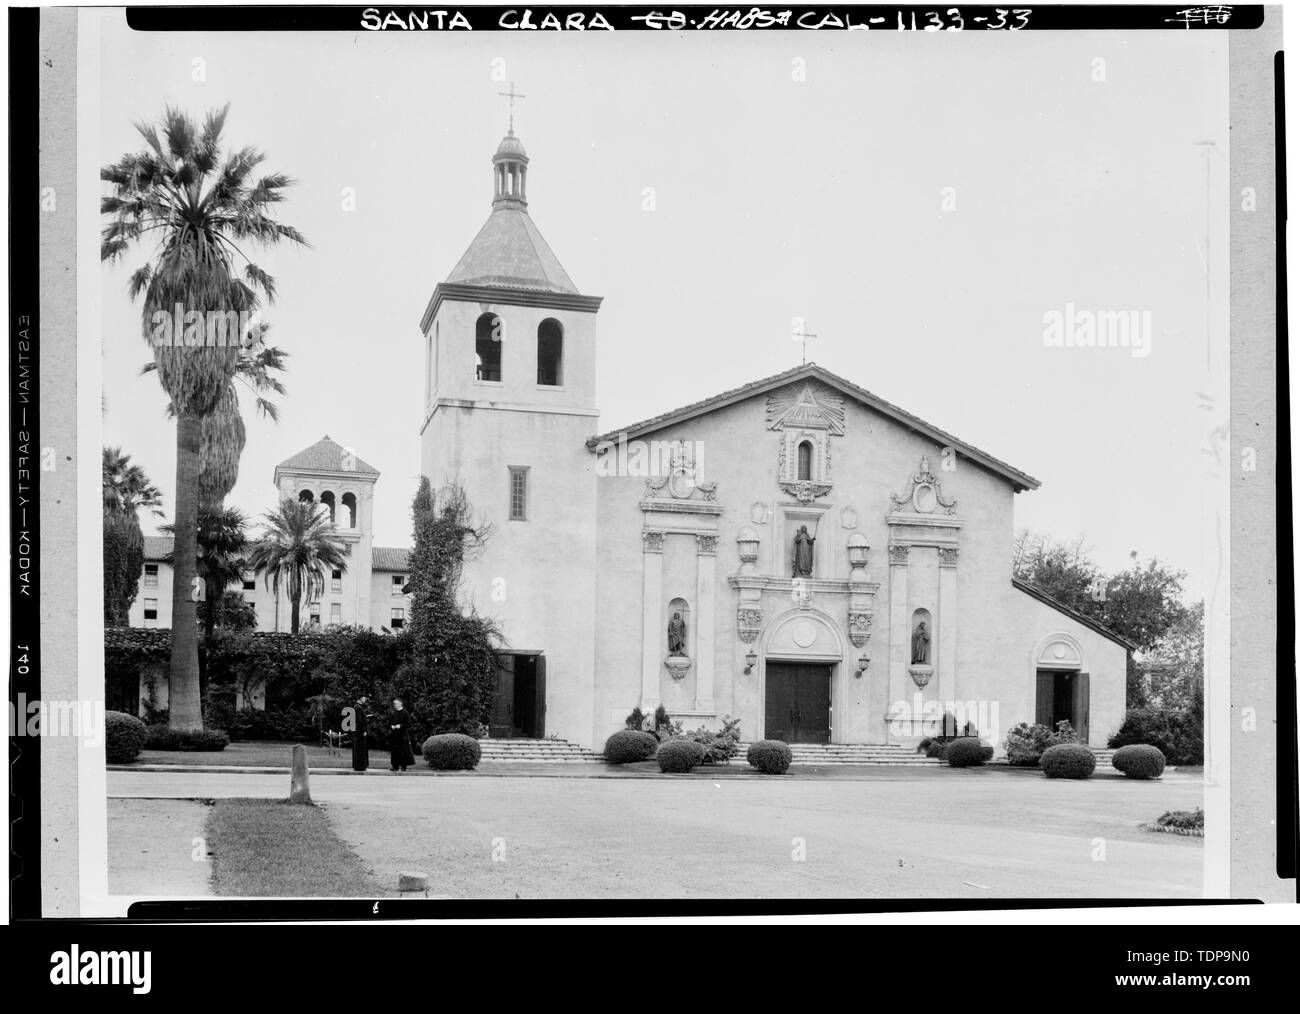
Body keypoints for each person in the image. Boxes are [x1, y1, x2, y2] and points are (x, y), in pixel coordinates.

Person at [386, 698, 415, 772]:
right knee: (394, 751)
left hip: (402, 735)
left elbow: (409, 723)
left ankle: (403, 766)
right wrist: (391, 726)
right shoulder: (393, 712)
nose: (395, 705)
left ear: (401, 703)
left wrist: (400, 726)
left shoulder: (405, 713)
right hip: (394, 735)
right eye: (394, 703)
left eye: (396, 703)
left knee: (403, 751)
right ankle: (395, 766)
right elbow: (389, 722)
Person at [350, 696, 369, 772]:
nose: (365, 699)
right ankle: (360, 766)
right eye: (364, 698)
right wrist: (364, 730)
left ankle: (358, 765)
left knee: (358, 749)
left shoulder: (356, 707)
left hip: (356, 731)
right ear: (360, 698)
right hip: (359, 732)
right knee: (360, 748)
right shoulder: (358, 708)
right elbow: (359, 720)